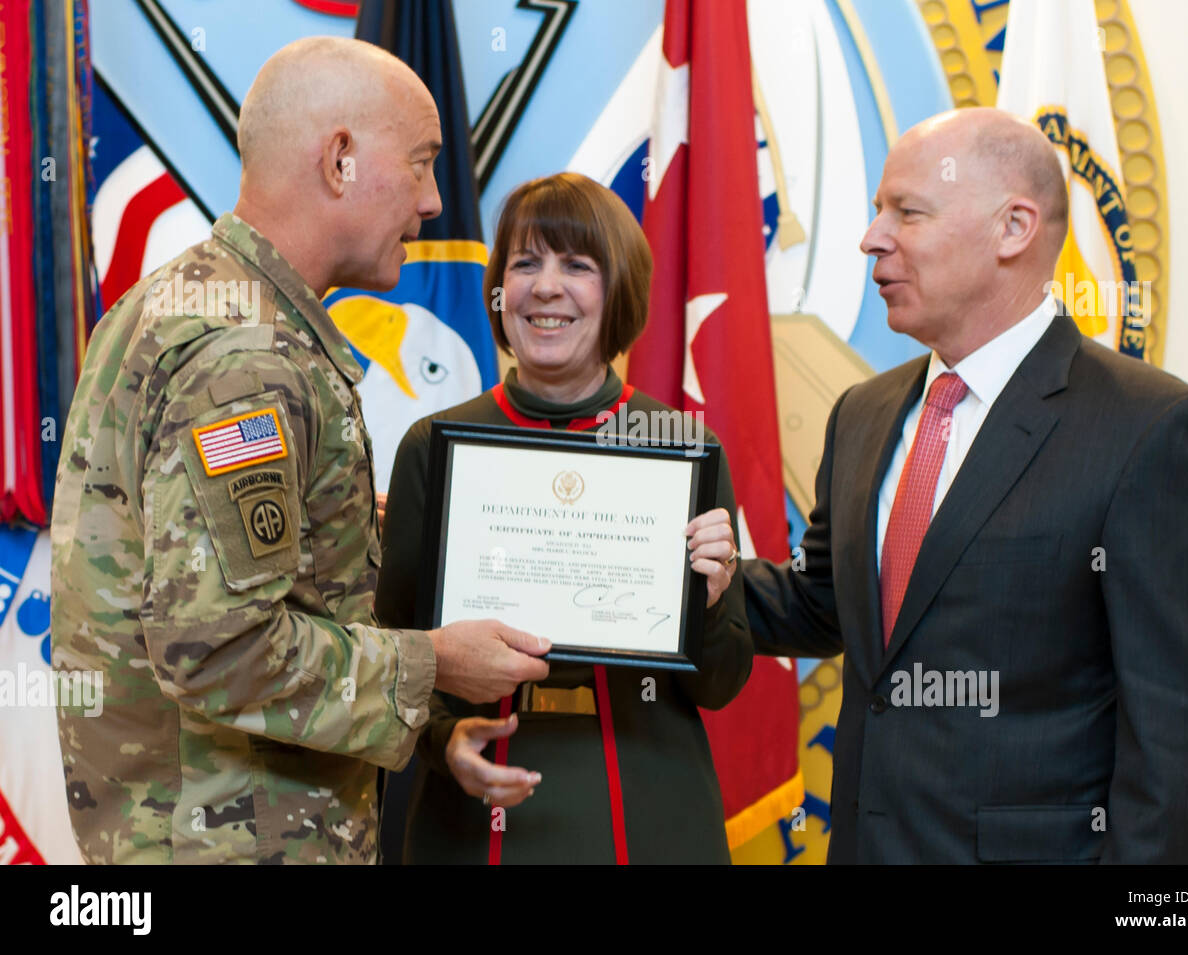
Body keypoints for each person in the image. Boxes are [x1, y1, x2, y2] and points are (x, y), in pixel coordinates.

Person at [49, 36, 550, 865]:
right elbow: (221, 648)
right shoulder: (245, 353)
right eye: (423, 163)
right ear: (341, 161)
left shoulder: (182, 301)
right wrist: (433, 662)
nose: (433, 201)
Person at [741, 107, 1188, 864]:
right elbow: (825, 603)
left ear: (1014, 228)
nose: (871, 238)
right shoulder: (864, 413)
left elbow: (1187, 734)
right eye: (879, 210)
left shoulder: (1153, 430)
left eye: (906, 212)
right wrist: (677, 573)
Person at [375, 172, 752, 864]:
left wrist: (716, 594)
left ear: (620, 292)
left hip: (649, 818)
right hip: (474, 820)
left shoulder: (684, 449)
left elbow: (720, 683)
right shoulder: (434, 447)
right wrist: (444, 739)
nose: (545, 287)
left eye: (577, 265)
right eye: (525, 263)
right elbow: (392, 654)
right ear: (499, 292)